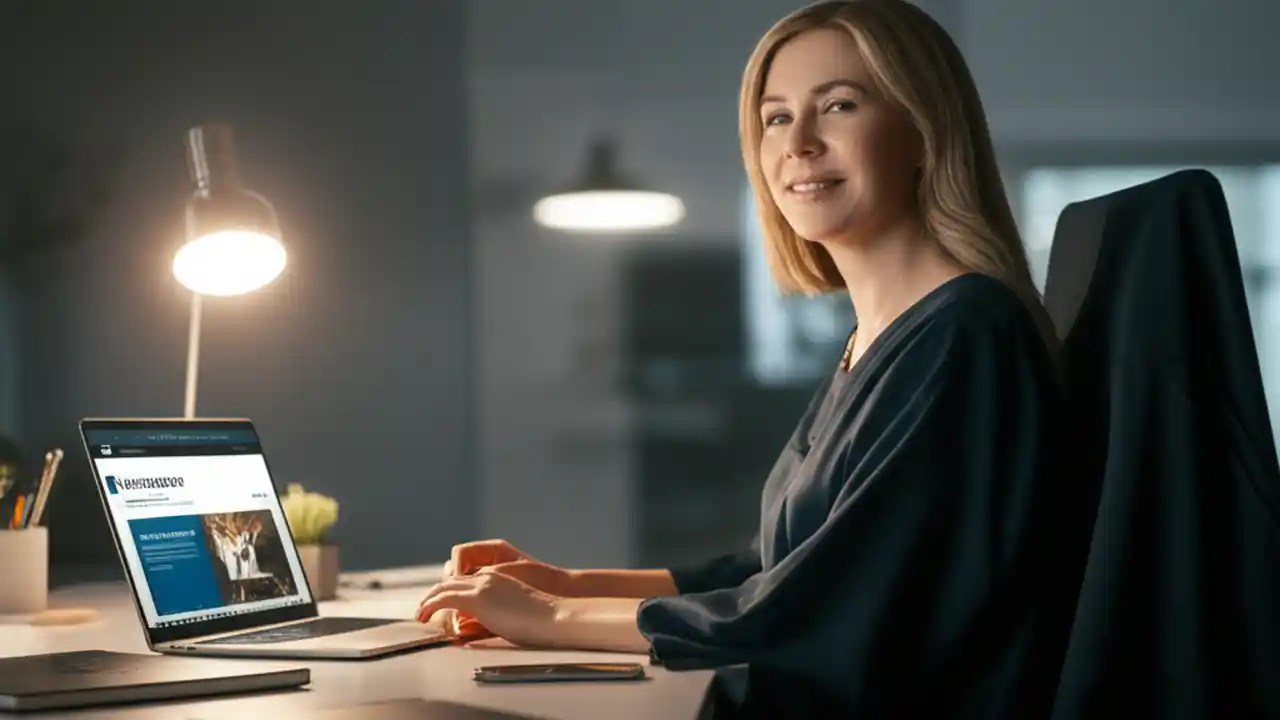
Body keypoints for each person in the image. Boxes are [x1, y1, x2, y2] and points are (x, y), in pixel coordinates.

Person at [416, 0, 1072, 715]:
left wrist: (548, 620)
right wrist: (564, 584)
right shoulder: (877, 338)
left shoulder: (967, 334)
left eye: (841, 105)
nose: (800, 144)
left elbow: (814, 608)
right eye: (777, 117)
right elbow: (777, 568)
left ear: (923, 131)